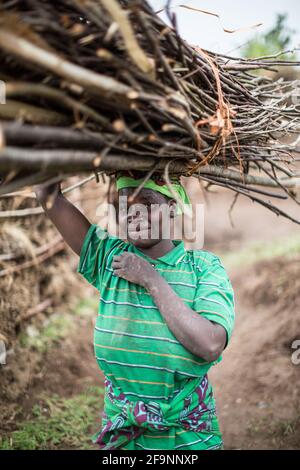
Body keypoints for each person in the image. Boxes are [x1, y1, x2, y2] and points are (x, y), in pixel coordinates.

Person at [35, 171, 235, 450]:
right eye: (125, 207)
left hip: (187, 438)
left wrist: (150, 278)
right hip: (124, 434)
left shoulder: (202, 268)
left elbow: (210, 344)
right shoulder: (110, 258)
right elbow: (48, 196)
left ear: (172, 208)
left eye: (148, 205)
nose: (133, 214)